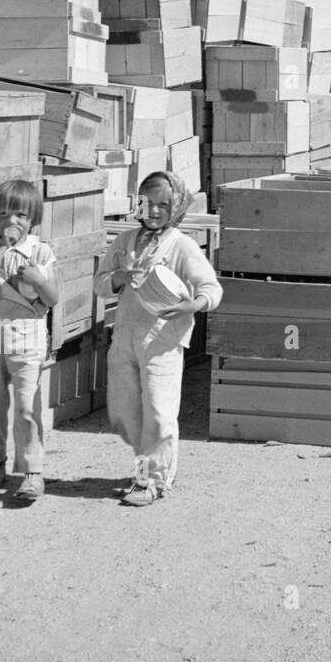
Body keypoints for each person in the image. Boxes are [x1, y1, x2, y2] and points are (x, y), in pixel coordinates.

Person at [96, 171, 222, 506]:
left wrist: (190, 305)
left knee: (159, 412)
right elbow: (99, 283)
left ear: (177, 207)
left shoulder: (181, 246)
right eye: (147, 203)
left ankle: (153, 481)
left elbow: (211, 288)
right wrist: (119, 277)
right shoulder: (124, 242)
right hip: (125, 335)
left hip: (163, 340)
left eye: (162, 205)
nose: (153, 211)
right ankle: (143, 469)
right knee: (127, 411)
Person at [0, 179, 60, 501]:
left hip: (26, 334)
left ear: (33, 218)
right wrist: (0, 248)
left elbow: (52, 298)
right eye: (4, 213)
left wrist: (39, 279)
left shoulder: (41, 251)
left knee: (27, 405)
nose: (12, 221)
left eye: (21, 215)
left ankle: (31, 470)